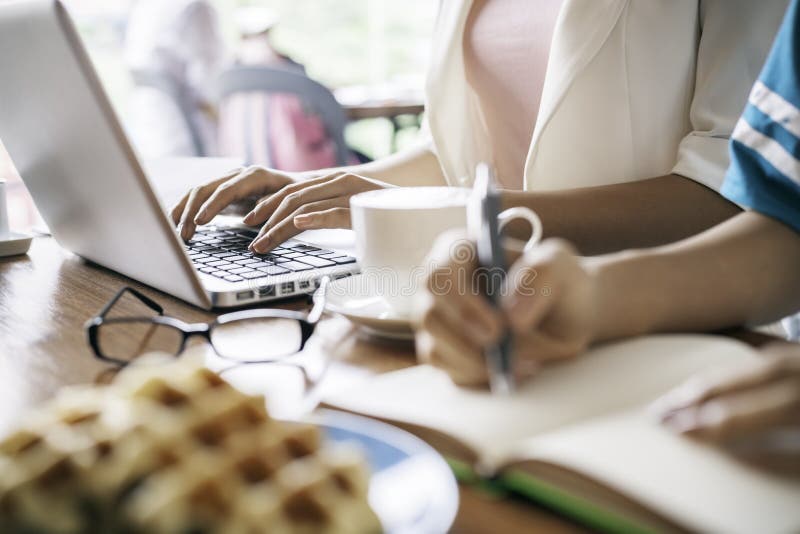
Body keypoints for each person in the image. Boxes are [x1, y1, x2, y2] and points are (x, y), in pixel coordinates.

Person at [416, 0, 800, 470]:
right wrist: (593, 293)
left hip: (709, 354)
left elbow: (731, 187)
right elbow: (786, 221)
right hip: (592, 344)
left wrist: (451, 215)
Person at [171, 1, 788, 253]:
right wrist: (319, 188)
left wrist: (454, 215)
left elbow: (730, 192)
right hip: (485, 299)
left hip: (671, 324)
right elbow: (466, 156)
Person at [125, 0, 227, 158]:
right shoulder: (196, 6)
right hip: (178, 114)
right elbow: (208, 73)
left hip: (145, 110)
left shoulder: (146, 6)